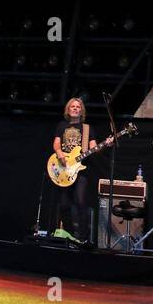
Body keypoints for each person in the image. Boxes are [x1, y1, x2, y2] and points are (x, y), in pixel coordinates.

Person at [52, 97, 111, 244]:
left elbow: (93, 148)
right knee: (64, 204)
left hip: (80, 170)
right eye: (72, 106)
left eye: (78, 106)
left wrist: (105, 144)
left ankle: (82, 238)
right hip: (63, 168)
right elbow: (56, 144)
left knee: (80, 201)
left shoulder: (87, 128)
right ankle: (68, 234)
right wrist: (60, 154)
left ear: (81, 110)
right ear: (68, 109)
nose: (75, 108)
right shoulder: (61, 125)